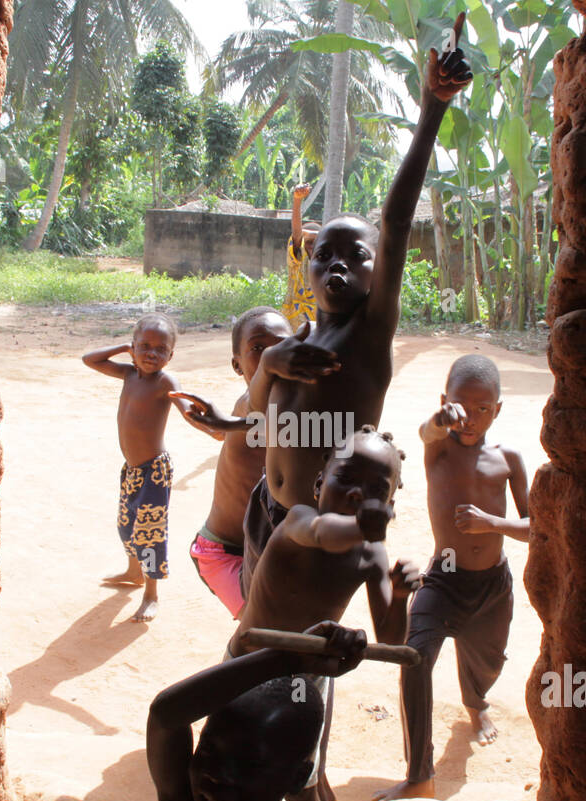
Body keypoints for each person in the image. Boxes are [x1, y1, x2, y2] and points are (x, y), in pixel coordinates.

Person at [240, 14, 473, 598]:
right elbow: (260, 416)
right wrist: (267, 366)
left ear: (377, 273)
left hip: (323, 531)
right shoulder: (299, 340)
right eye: (324, 255)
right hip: (267, 511)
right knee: (259, 630)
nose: (336, 266)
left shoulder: (368, 334)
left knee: (294, 636)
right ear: (307, 266)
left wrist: (433, 109)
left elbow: (395, 222)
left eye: (356, 256)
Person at [226, 425, 422, 801]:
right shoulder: (299, 520)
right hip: (247, 664)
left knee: (302, 784)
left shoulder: (371, 555)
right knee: (230, 759)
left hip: (306, 680)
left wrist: (400, 596)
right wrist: (361, 525)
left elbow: (391, 638)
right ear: (319, 483)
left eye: (377, 490)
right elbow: (322, 533)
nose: (357, 494)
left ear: (391, 503)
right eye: (346, 478)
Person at [373, 354, 530, 801]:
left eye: (484, 409)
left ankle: (475, 705)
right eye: (462, 406)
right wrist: (438, 421)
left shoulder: (508, 458)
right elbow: (426, 432)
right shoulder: (439, 448)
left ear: (498, 410)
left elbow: (537, 526)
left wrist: (492, 524)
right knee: (414, 660)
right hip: (442, 580)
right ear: (445, 401)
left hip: (493, 587)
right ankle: (418, 774)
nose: (471, 418)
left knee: (488, 663)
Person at [144, 621, 367, 801]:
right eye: (208, 751)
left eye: (247, 764)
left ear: (298, 777)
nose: (218, 775)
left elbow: (165, 714)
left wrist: (284, 661)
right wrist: (285, 660)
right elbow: (164, 715)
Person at [82, 313, 218, 622]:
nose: (151, 354)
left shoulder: (165, 382)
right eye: (144, 346)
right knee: (126, 525)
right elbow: (89, 359)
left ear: (171, 355)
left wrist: (213, 430)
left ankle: (151, 594)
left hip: (154, 471)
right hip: (131, 469)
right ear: (133, 347)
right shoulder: (129, 374)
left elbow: (187, 411)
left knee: (149, 534)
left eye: (160, 349)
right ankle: (134, 572)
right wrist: (123, 348)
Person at [170, 307, 292, 618]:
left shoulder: (297, 405)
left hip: (269, 549)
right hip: (225, 551)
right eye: (258, 348)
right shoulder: (248, 403)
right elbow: (259, 417)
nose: (271, 356)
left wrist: (220, 426)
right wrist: (226, 424)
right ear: (237, 365)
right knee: (262, 621)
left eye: (281, 345)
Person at [282, 183, 319, 331]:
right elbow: (297, 234)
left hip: (317, 322)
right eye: (309, 242)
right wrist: (297, 201)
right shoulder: (298, 257)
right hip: (294, 321)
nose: (311, 247)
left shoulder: (327, 262)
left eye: (316, 243)